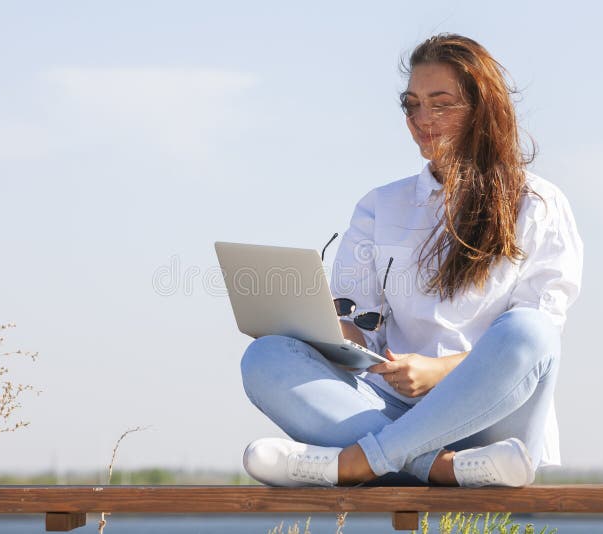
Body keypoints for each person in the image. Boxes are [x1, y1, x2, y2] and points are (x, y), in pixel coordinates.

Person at [239, 33, 583, 488]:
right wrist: (318, 330)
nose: (422, 119)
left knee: (532, 332)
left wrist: (437, 371)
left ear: (482, 109)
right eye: (412, 104)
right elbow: (360, 331)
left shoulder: (537, 203)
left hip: (492, 420)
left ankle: (357, 463)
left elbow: (535, 343)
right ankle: (436, 468)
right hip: (387, 406)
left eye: (440, 104)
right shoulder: (381, 205)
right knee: (264, 358)